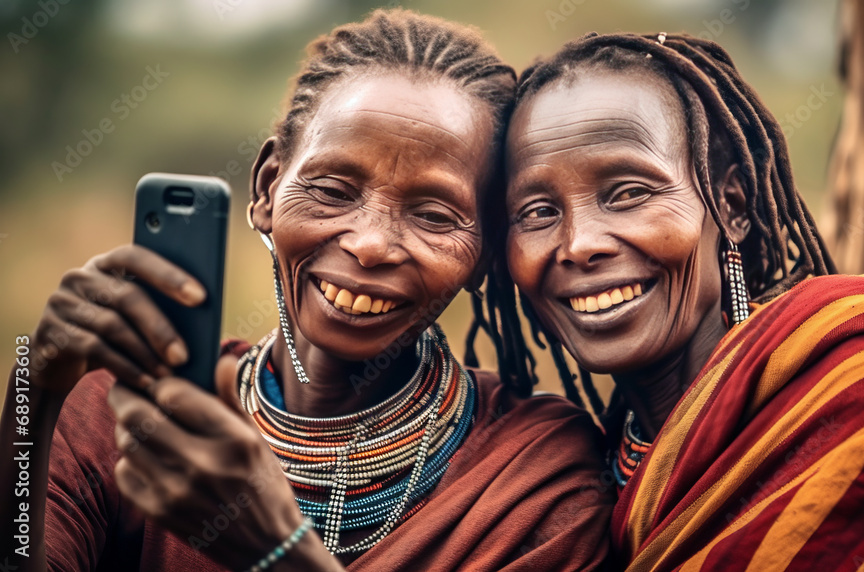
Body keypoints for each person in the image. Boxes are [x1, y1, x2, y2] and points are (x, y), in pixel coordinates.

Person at [0, 11, 614, 571]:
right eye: (333, 190)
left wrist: (279, 551)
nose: (370, 244)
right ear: (268, 189)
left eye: (433, 214)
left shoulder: (535, 478)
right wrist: (34, 396)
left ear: (485, 252)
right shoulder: (121, 412)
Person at [482, 31, 864, 570]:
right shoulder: (573, 482)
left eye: (629, 193)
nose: (580, 243)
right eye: (538, 211)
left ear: (731, 207)